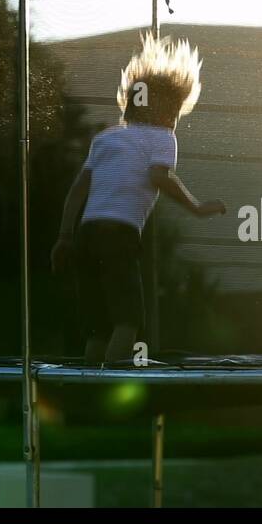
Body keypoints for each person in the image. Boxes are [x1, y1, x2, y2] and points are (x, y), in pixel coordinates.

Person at [51, 33, 226, 364]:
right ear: (165, 114)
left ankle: (90, 390)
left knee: (98, 328)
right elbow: (159, 177)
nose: (175, 122)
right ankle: (110, 385)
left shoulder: (105, 139)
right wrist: (198, 208)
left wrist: (64, 236)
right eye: (176, 114)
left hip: (87, 233)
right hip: (119, 234)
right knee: (128, 320)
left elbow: (78, 190)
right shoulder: (163, 138)